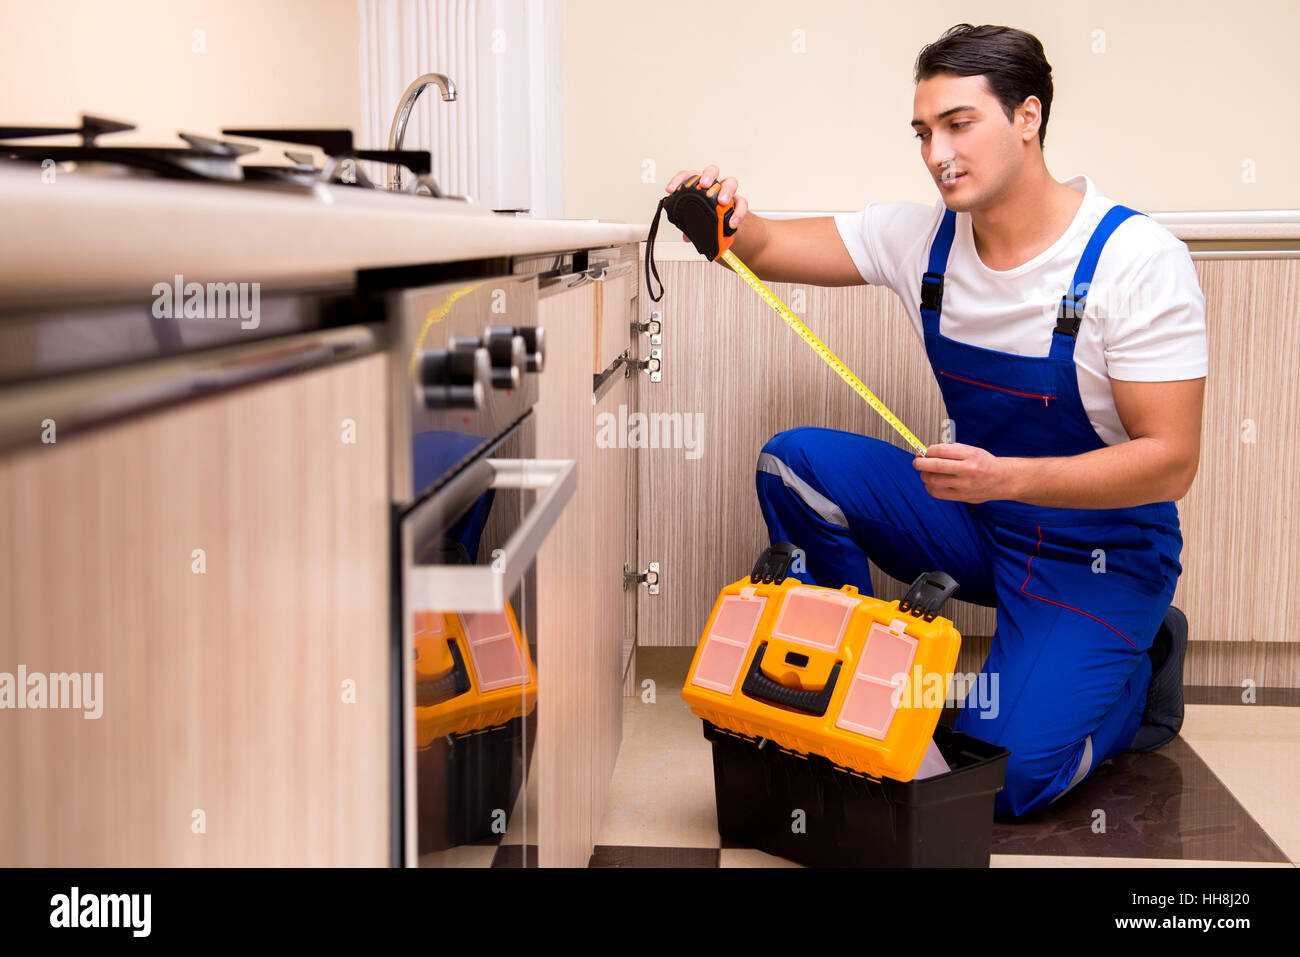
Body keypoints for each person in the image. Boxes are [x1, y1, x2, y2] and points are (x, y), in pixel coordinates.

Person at [665, 23, 1206, 819]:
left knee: (1001, 781)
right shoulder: (920, 239)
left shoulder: (1136, 262)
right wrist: (718, 218)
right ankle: (850, 689)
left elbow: (1172, 460)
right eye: (924, 132)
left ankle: (1139, 676)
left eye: (959, 123)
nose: (936, 152)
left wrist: (1007, 477)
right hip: (983, 523)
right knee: (794, 463)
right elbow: (768, 243)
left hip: (1101, 551)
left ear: (1027, 118)